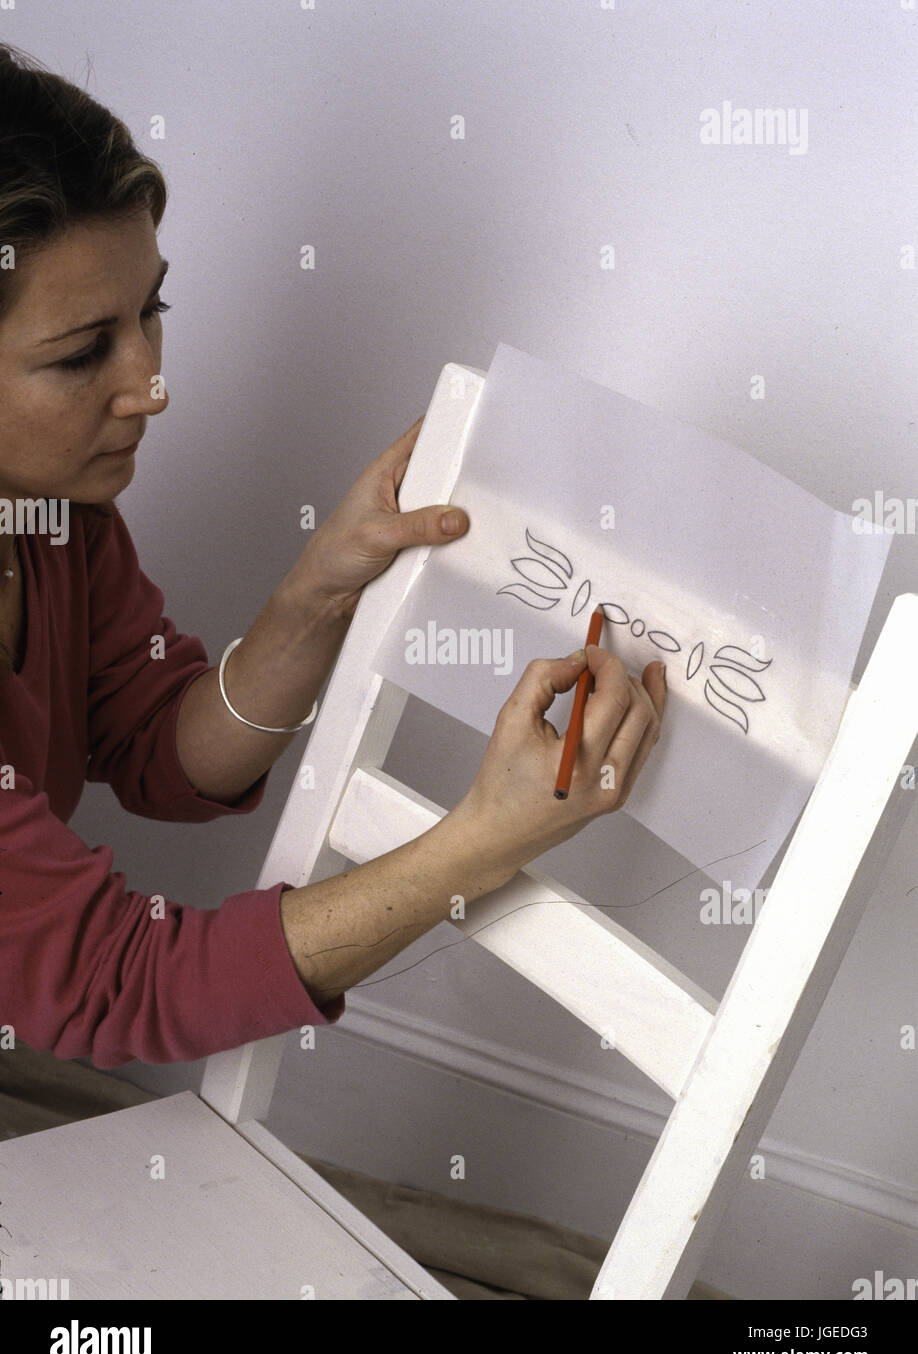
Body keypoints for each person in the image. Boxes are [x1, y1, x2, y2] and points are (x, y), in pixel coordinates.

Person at [0, 42, 666, 1069]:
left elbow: (159, 747)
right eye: (83, 352)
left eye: (151, 314)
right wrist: (482, 841)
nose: (147, 383)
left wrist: (321, 588)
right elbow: (117, 985)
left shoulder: (53, 517)